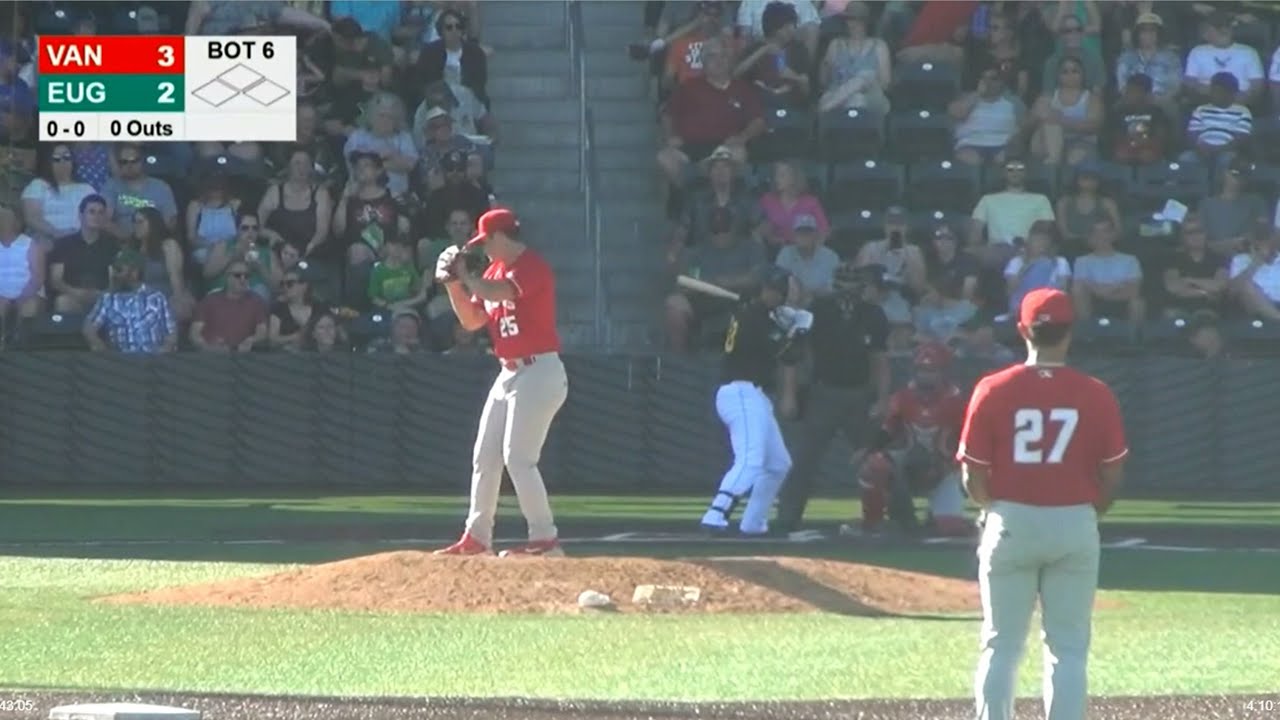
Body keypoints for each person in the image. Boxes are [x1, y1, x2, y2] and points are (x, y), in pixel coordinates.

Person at [956, 287, 1128, 720]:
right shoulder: (1096, 393)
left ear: (1022, 331)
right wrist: (1091, 511)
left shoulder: (993, 388)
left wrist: (991, 507)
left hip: (1011, 517)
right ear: (1069, 334)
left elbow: (971, 473)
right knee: (1067, 648)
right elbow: (1112, 473)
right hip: (1074, 521)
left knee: (1001, 644)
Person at [432, 208, 569, 557]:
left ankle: (545, 539)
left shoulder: (531, 266)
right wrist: (452, 284)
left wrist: (465, 275)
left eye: (486, 241)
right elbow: (473, 321)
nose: (484, 250)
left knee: (519, 458)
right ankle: (477, 538)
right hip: (510, 371)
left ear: (500, 237)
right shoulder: (493, 269)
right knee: (485, 456)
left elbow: (498, 293)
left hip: (540, 370)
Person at [773, 262, 888, 535]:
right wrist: (788, 395)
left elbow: (880, 361)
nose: (847, 293)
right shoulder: (817, 311)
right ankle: (787, 518)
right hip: (823, 394)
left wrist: (882, 398)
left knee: (877, 459)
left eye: (853, 287)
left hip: (859, 395)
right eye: (843, 286)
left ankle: (898, 518)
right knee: (805, 460)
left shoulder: (873, 314)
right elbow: (791, 354)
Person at [699, 266, 809, 536]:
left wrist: (783, 323)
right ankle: (715, 514)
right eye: (772, 290)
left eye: (778, 291)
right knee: (750, 460)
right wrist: (799, 329)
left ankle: (753, 521)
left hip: (754, 395)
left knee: (778, 464)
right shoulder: (754, 318)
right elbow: (789, 355)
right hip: (740, 393)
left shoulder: (756, 316)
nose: (774, 295)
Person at [846, 342, 970, 538]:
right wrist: (869, 449)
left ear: (943, 372)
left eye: (931, 370)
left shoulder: (958, 402)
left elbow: (969, 438)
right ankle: (873, 523)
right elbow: (887, 429)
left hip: (945, 469)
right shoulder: (903, 397)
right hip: (908, 467)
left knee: (950, 529)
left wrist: (954, 464)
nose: (925, 376)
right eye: (922, 370)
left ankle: (942, 518)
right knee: (875, 466)